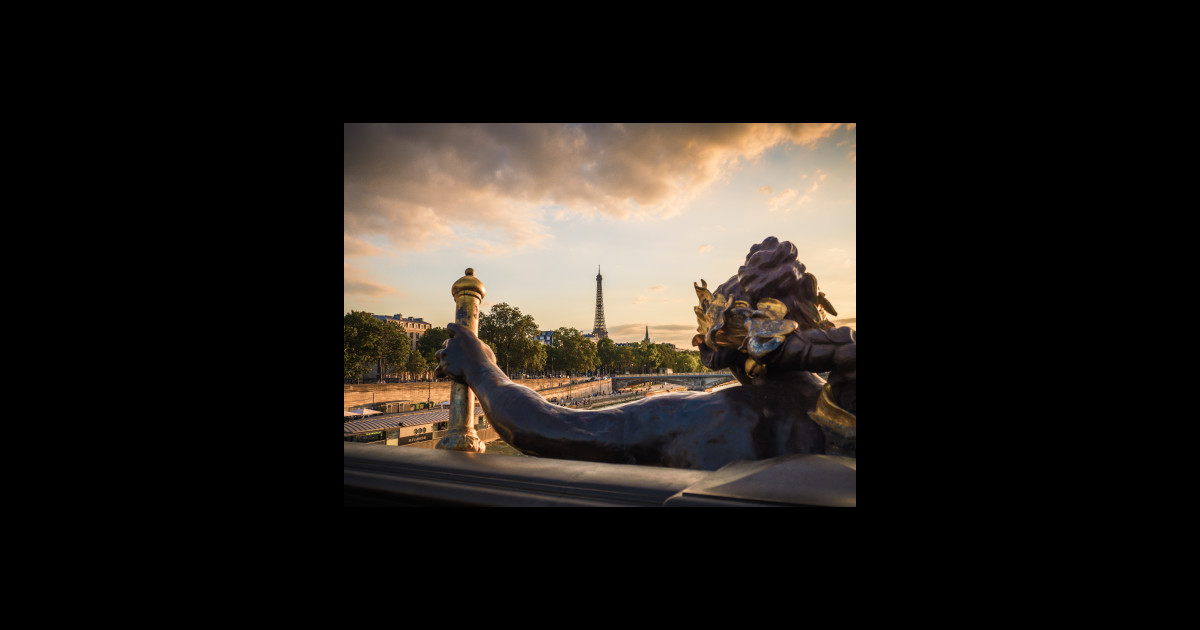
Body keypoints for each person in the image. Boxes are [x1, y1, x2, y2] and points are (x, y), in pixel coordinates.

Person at [436, 236, 855, 471]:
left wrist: (481, 366)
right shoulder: (839, 410)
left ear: (723, 341)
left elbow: (544, 426)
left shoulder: (706, 415)